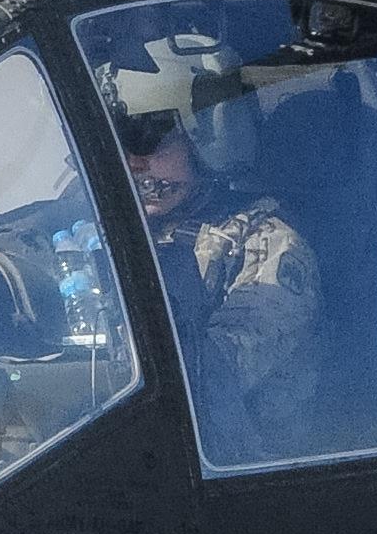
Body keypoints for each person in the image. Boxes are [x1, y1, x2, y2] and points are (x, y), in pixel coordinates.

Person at [123, 118, 323, 463]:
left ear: (199, 142)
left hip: (244, 469)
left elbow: (214, 374)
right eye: (118, 140)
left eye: (144, 140)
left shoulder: (267, 242)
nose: (132, 161)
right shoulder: (112, 233)